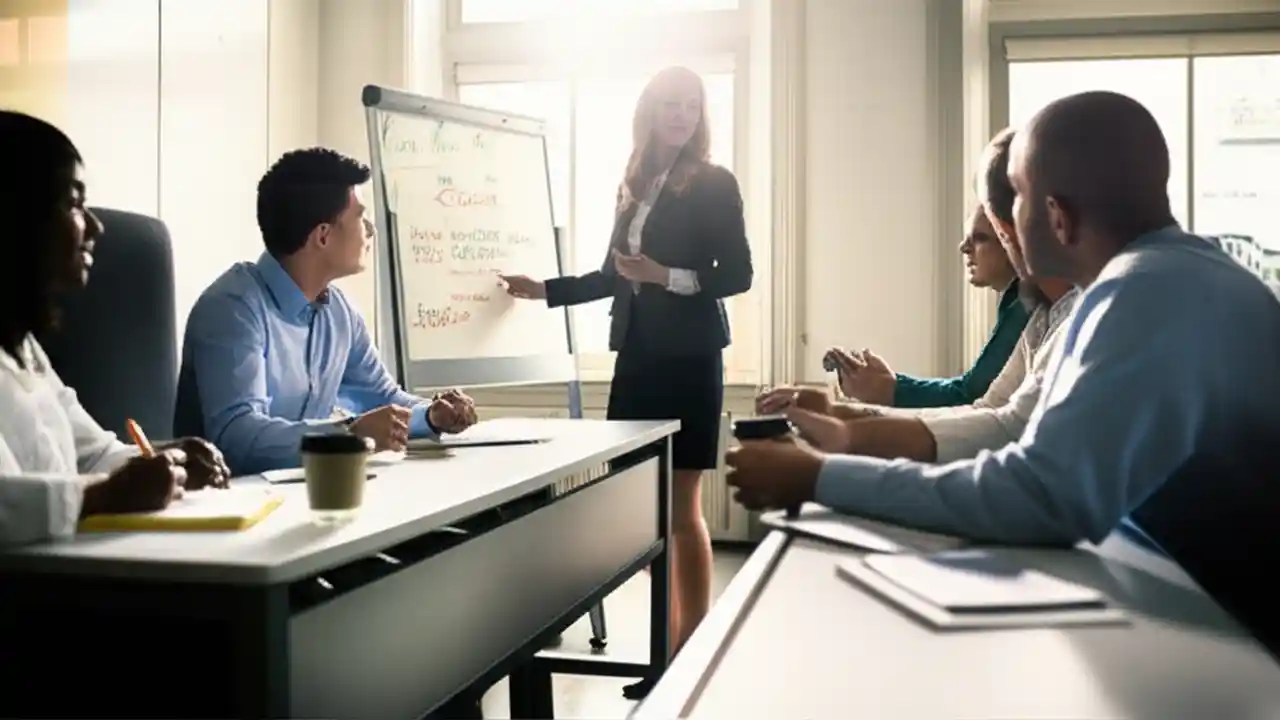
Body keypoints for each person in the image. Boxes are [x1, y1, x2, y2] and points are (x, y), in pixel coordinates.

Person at [725, 91, 1280, 654]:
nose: (1006, 221)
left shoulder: (1140, 294)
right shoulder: (1172, 275)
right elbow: (1016, 424)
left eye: (1015, 199)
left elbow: (1040, 495)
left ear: (1058, 217)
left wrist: (816, 477)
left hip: (1233, 646)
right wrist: (849, 427)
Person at [500, 66, 753, 691]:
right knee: (641, 511)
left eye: (691, 106)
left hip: (691, 357)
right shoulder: (634, 184)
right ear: (650, 110)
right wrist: (547, 290)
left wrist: (668, 275)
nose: (682, 115)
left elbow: (739, 273)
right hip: (636, 357)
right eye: (671, 104)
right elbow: (616, 274)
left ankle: (689, 656)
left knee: (682, 506)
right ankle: (669, 649)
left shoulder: (715, 182)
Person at [767, 130, 1080, 464]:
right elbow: (989, 411)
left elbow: (998, 424)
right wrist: (839, 414)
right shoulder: (1042, 315)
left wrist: (836, 450)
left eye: (987, 233)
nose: (965, 247)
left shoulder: (1069, 314)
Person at [0, 111, 230, 548]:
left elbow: (92, 455)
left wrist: (170, 458)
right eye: (72, 204)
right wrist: (104, 496)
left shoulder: (23, 349)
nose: (95, 227)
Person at [174, 148, 478, 475]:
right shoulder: (233, 309)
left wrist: (433, 414)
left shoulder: (339, 312)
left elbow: (380, 398)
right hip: (228, 505)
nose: (370, 231)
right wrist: (348, 435)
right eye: (361, 217)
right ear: (323, 235)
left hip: (306, 492)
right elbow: (238, 437)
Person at [821, 208, 1029, 408]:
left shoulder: (1023, 306)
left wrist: (891, 389)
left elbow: (970, 394)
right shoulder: (1014, 301)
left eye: (980, 238)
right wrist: (889, 383)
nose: (963, 247)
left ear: (1011, 240)